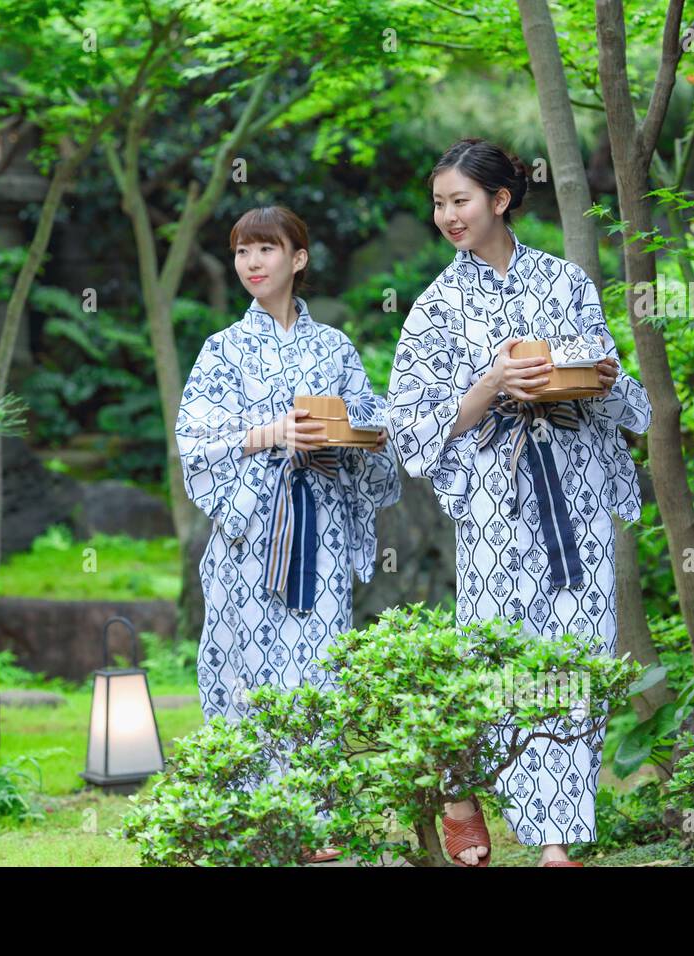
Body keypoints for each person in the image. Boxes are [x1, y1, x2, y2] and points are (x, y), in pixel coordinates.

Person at [385, 138, 652, 867]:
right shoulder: (436, 308)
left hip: (576, 496)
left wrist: (584, 375)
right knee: (496, 658)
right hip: (499, 503)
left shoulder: (565, 282)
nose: (446, 215)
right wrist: (493, 384)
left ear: (500, 200)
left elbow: (619, 392)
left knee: (573, 660)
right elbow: (410, 429)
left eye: (459, 200)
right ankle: (460, 786)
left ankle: (555, 844)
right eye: (438, 203)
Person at [176, 204, 401, 863]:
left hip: (321, 529)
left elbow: (371, 425)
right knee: (248, 669)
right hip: (250, 535)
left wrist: (345, 435)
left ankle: (318, 815)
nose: (252, 263)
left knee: (319, 665)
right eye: (243, 251)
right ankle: (253, 813)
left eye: (266, 249)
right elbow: (195, 443)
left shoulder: (334, 347)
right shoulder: (222, 349)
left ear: (297, 260)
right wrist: (275, 432)